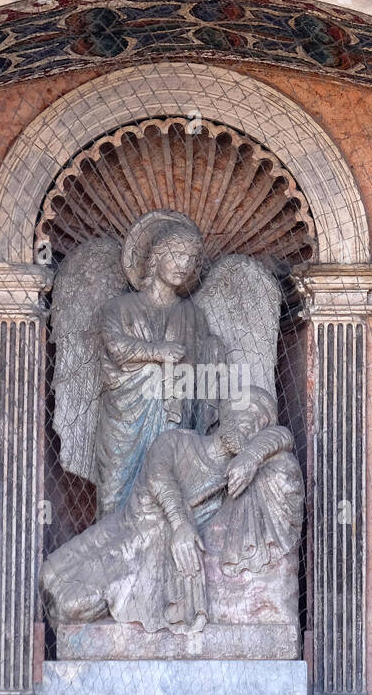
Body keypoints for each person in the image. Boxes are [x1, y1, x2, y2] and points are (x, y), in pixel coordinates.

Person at [42, 387, 300, 635]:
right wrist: (180, 525)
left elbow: (284, 436)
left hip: (150, 551)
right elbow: (159, 476)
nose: (252, 423)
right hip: (127, 531)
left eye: (261, 421)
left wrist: (253, 455)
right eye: (248, 412)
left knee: (73, 604)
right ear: (226, 413)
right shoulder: (176, 441)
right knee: (50, 575)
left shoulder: (237, 475)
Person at [93, 212, 220, 516]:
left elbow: (201, 370)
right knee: (114, 494)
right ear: (155, 256)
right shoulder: (118, 308)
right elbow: (118, 348)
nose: (184, 264)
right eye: (177, 255)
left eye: (191, 258)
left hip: (174, 418)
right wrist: (159, 353)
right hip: (125, 416)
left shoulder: (193, 315)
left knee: (166, 493)